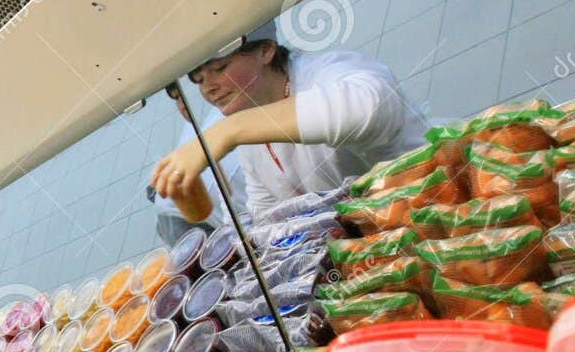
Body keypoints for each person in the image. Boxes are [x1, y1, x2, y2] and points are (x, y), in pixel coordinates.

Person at [151, 24, 428, 220]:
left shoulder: (323, 72)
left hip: (434, 210)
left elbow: (372, 107)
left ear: (266, 51)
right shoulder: (251, 130)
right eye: (199, 81)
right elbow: (266, 215)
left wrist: (228, 131)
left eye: (219, 69)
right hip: (378, 249)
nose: (208, 88)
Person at [147, 85, 247, 246]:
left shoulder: (217, 115)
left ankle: (156, 191)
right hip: (181, 210)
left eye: (182, 96)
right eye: (177, 98)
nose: (181, 106)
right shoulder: (199, 119)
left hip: (185, 214)